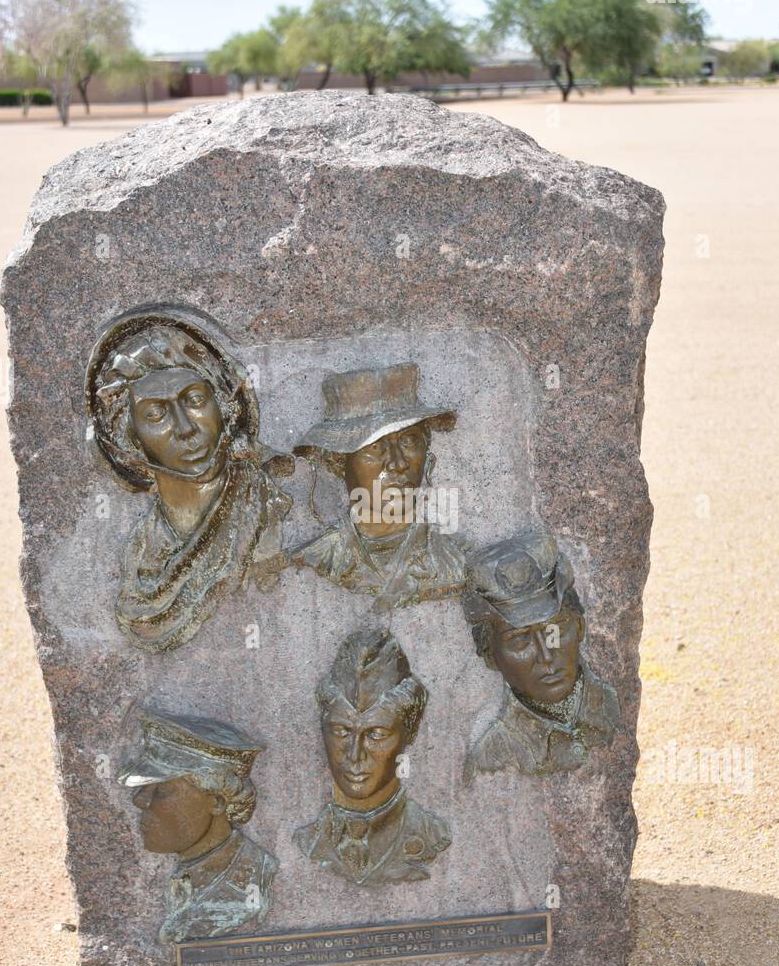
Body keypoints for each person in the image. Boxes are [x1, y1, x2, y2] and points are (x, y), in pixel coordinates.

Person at [87, 312, 292, 651]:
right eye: (155, 414)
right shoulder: (143, 550)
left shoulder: (265, 507)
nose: (185, 428)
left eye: (195, 401)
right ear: (129, 437)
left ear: (224, 407)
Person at [291, 363, 468, 611]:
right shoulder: (312, 561)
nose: (397, 463)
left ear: (427, 456)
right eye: (375, 447)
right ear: (338, 463)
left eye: (409, 441)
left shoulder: (458, 561)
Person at [294, 625, 451, 885]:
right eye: (341, 731)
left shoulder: (432, 836)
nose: (355, 755)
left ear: (409, 732)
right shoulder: (308, 842)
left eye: (376, 734)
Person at [462, 530, 620, 781]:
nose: (546, 657)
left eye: (553, 630)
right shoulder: (494, 760)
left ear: (579, 627)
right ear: (490, 655)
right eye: (520, 640)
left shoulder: (612, 708)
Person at [120, 709, 277, 943]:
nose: (139, 800)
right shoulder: (188, 871)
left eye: (162, 790)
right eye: (144, 788)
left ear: (216, 802)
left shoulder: (249, 885)